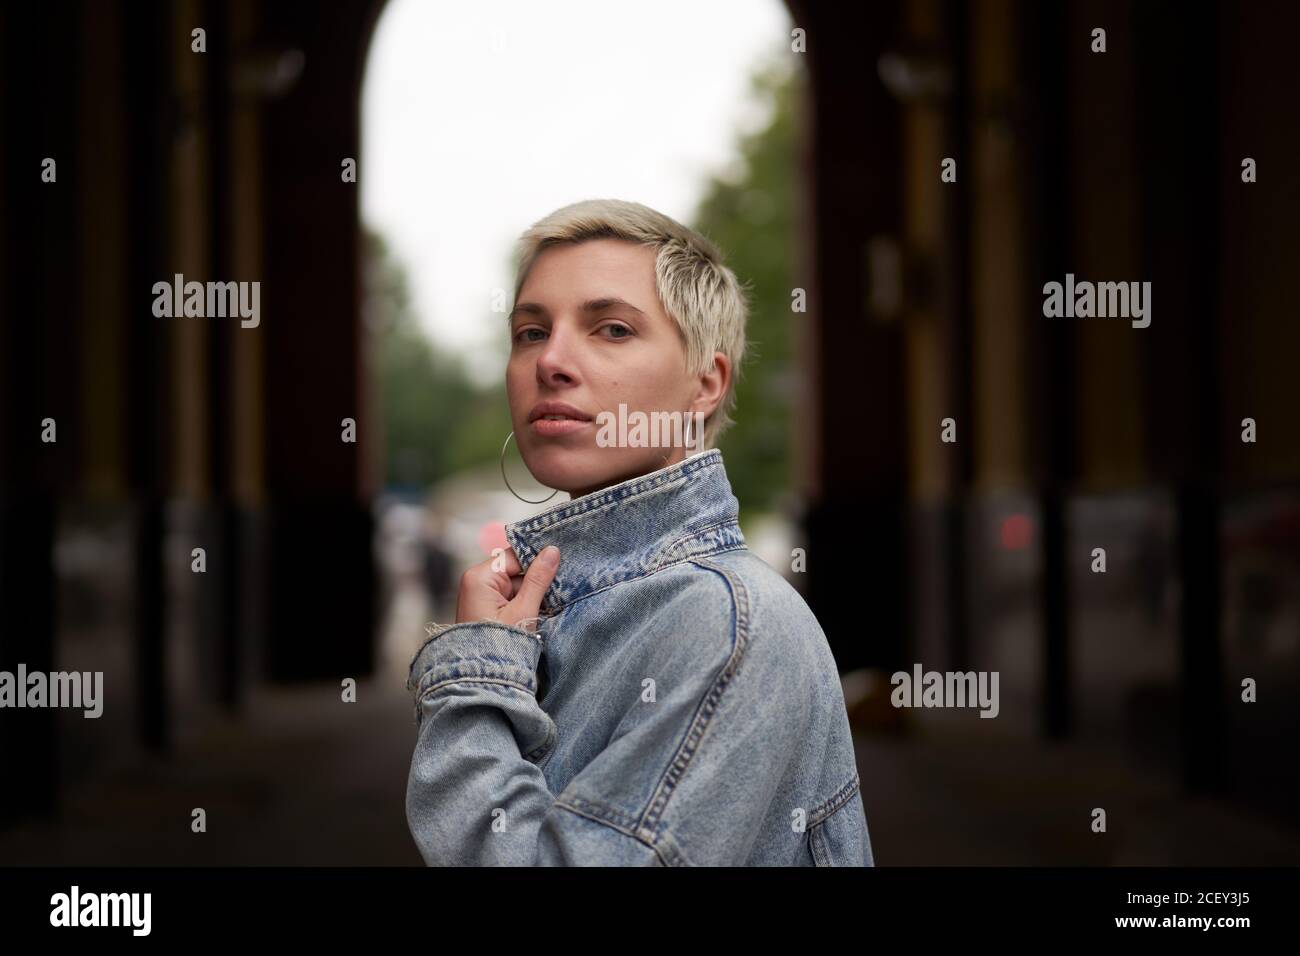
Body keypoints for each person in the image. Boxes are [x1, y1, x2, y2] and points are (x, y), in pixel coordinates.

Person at [404, 198, 872, 866]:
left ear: (705, 383)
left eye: (613, 329)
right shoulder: (566, 606)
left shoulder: (724, 626)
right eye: (531, 332)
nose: (551, 361)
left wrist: (474, 688)